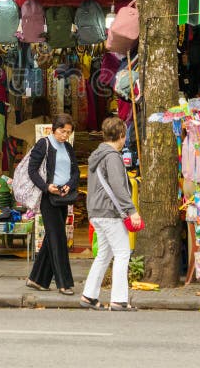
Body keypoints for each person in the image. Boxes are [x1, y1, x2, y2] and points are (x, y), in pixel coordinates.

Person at [81, 117, 141, 311]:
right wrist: (131, 210)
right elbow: (117, 185)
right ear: (122, 135)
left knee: (104, 255)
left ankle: (89, 295)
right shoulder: (112, 157)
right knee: (123, 253)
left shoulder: (97, 155)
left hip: (96, 211)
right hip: (109, 212)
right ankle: (119, 299)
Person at [25, 113, 80, 295]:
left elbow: (75, 171)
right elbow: (32, 170)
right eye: (62, 131)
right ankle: (64, 283)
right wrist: (47, 187)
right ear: (53, 129)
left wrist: (68, 185)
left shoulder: (68, 147)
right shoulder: (44, 144)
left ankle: (36, 279)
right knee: (58, 240)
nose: (65, 136)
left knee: (51, 239)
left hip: (63, 197)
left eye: (68, 132)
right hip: (48, 199)